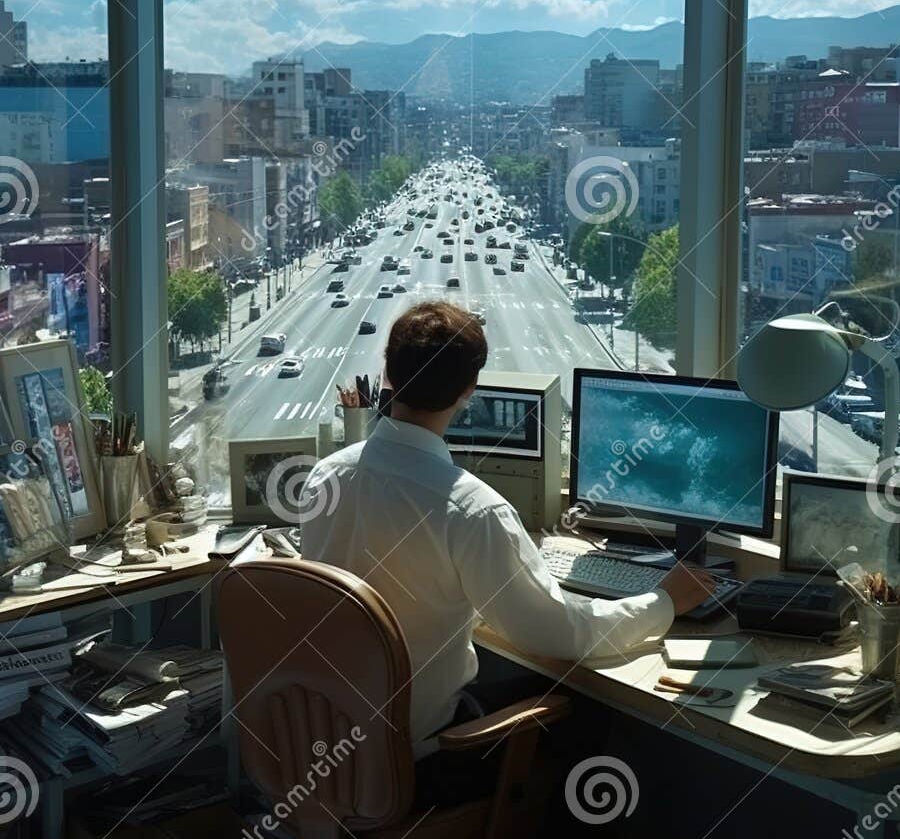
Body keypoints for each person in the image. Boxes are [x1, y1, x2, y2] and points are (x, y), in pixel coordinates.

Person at [300, 300, 714, 756]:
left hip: (322, 747)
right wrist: (664, 601)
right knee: (591, 708)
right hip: (415, 762)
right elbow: (559, 632)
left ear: (388, 377)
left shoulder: (326, 477)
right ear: (468, 390)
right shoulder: (472, 510)